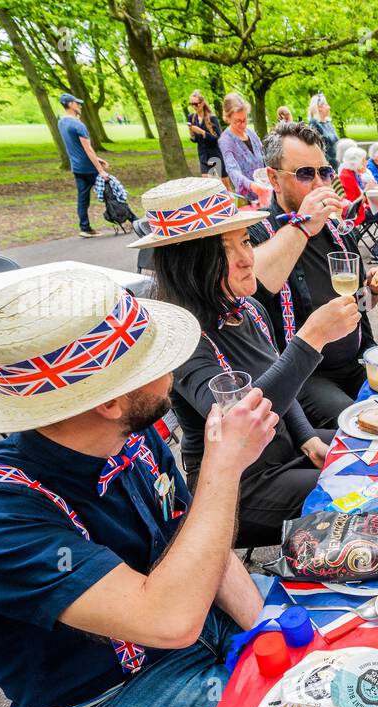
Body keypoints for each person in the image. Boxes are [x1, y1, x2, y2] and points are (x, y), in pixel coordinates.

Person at [0, 267, 280, 707]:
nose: (174, 365)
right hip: (110, 699)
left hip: (193, 619)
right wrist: (224, 468)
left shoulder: (128, 434)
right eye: (156, 359)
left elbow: (191, 536)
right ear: (110, 401)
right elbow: (167, 621)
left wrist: (264, 628)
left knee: (345, 636)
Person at [131, 177, 358, 545]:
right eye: (225, 249)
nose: (246, 258)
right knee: (363, 485)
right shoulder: (183, 340)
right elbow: (243, 421)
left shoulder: (248, 309)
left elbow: (278, 380)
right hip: (242, 488)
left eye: (246, 240)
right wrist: (311, 338)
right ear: (189, 263)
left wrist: (306, 438)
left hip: (287, 455)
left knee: (374, 451)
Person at [248, 122, 378, 427]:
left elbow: (357, 305)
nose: (318, 184)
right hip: (306, 379)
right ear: (274, 178)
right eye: (305, 174)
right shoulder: (258, 234)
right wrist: (303, 225)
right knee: (366, 425)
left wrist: (372, 292)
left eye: (324, 173)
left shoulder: (339, 233)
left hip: (356, 360)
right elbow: (256, 286)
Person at [57, 93, 108, 239]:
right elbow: (88, 149)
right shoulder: (78, 125)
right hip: (89, 168)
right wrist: (100, 169)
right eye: (77, 103)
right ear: (70, 104)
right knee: (112, 192)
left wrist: (98, 158)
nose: (80, 106)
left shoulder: (61, 122)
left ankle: (85, 228)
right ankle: (132, 220)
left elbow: (74, 146)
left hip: (77, 167)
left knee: (83, 198)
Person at [339, 146, 378, 255]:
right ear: (355, 162)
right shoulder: (346, 176)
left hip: (361, 209)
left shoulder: (353, 174)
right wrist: (366, 191)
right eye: (363, 161)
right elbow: (352, 206)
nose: (366, 163)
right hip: (354, 214)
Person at [218, 92, 265, 201]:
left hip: (266, 192)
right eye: (237, 121)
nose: (243, 125)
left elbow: (264, 156)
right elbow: (232, 170)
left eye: (244, 120)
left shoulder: (251, 133)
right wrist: (252, 186)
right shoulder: (226, 140)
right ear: (227, 118)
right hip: (248, 199)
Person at [187, 90, 224, 178]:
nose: (194, 106)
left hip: (215, 155)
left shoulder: (212, 118)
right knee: (207, 185)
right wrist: (192, 133)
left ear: (202, 103)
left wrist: (201, 132)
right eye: (191, 104)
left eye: (196, 104)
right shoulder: (191, 117)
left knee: (223, 185)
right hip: (203, 156)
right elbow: (195, 140)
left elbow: (217, 138)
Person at [307, 93, 339, 167]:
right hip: (325, 168)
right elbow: (314, 149)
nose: (329, 107)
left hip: (336, 164)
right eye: (326, 105)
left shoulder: (328, 123)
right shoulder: (314, 124)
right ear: (319, 107)